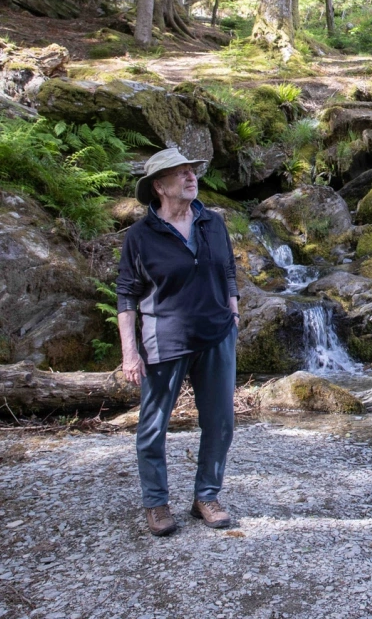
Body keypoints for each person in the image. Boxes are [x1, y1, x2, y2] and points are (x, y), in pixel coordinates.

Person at [116, 147, 240, 537]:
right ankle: (156, 503)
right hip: (164, 340)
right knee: (153, 427)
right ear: (159, 186)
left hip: (217, 334)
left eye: (193, 171)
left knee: (221, 423)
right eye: (181, 173)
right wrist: (129, 353)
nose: (191, 177)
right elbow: (126, 295)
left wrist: (233, 310)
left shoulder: (212, 223)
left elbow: (229, 269)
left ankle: (206, 496)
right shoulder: (139, 236)